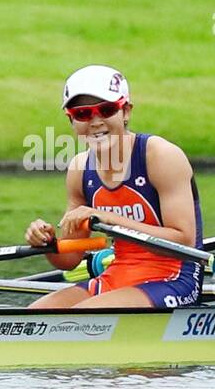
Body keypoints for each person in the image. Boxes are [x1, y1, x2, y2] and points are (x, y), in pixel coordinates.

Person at [24, 65, 203, 310]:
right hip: (118, 276)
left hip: (174, 279)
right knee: (35, 315)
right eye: (83, 114)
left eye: (107, 110)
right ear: (71, 120)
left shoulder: (160, 156)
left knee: (81, 316)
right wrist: (47, 243)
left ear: (126, 111)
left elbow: (183, 242)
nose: (95, 122)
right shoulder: (80, 168)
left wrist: (108, 218)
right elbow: (69, 258)